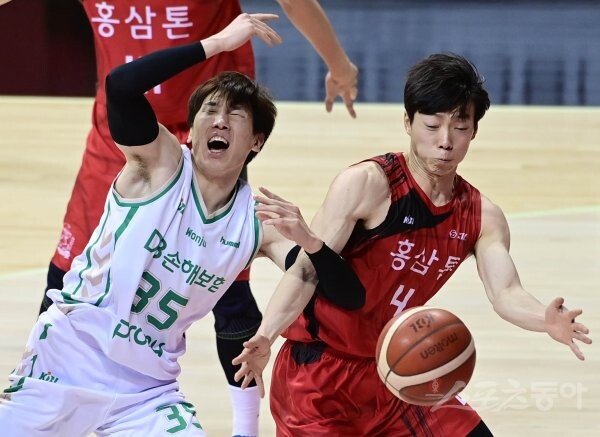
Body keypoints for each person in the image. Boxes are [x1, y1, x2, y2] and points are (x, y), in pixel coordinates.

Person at [1, 13, 365, 436]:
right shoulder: (161, 165)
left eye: (236, 114)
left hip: (146, 394)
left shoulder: (258, 223)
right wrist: (218, 43)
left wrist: (312, 243)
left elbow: (348, 294)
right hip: (64, 365)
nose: (220, 120)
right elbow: (120, 86)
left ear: (256, 141)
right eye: (210, 110)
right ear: (191, 131)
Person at [233, 53, 592, 436]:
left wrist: (544, 320)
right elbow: (306, 270)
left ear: (474, 131)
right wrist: (266, 334)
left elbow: (506, 293)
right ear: (408, 122)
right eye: (432, 125)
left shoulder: (481, 216)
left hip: (401, 368)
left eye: (460, 127)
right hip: (318, 377)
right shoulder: (368, 184)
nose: (445, 141)